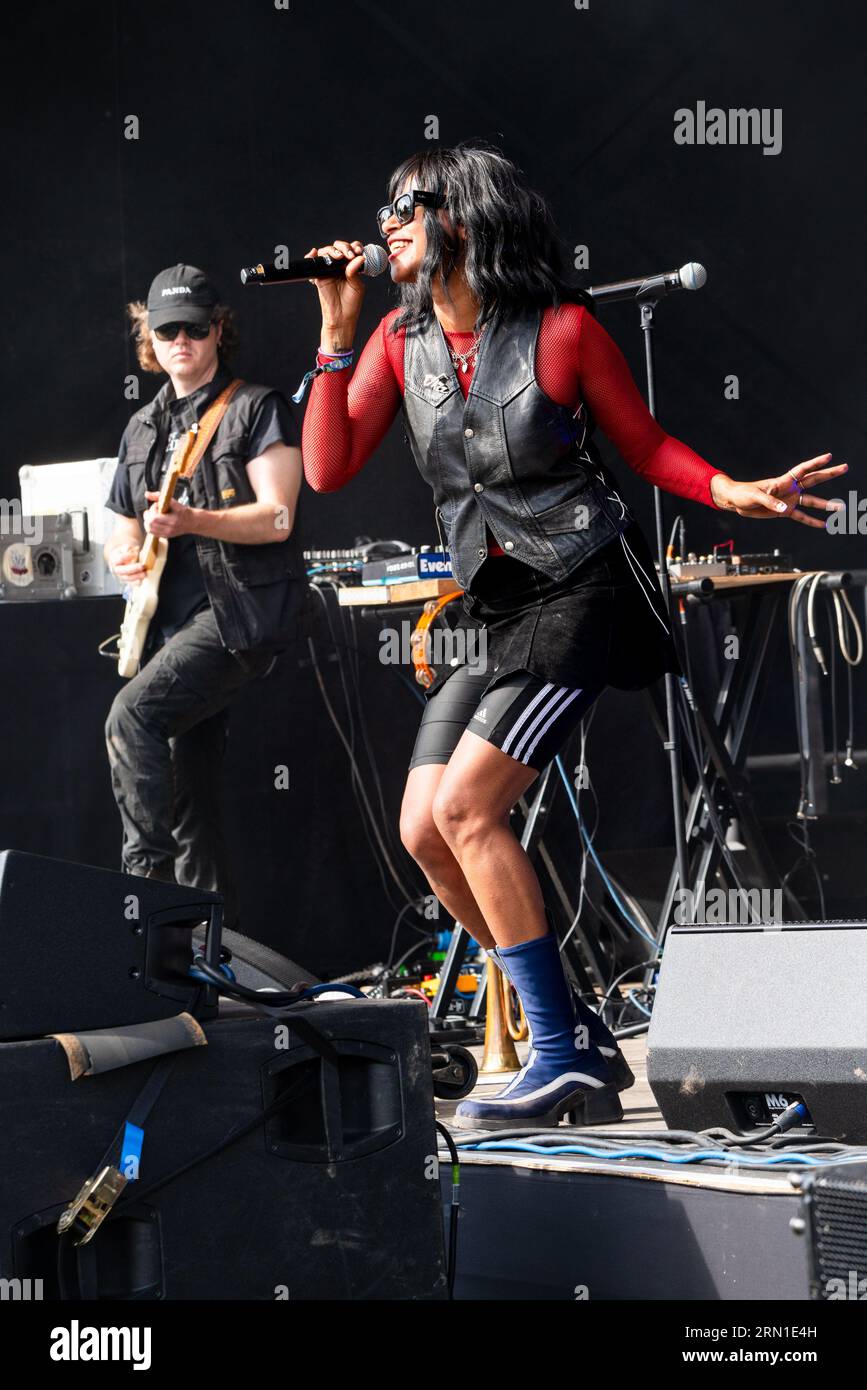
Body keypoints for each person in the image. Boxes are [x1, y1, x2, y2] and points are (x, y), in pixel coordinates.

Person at [299, 143, 845, 1129]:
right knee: (426, 831)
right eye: (382, 209)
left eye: (407, 208)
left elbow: (643, 447)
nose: (386, 225)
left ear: (463, 218)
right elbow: (328, 470)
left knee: (468, 810)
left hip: (580, 587)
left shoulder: (560, 330)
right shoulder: (394, 340)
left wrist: (734, 489)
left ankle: (561, 1056)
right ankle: (580, 1031)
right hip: (496, 606)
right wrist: (335, 335)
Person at [104, 263, 306, 930]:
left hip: (233, 618)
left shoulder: (255, 407)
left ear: (219, 329)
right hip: (165, 624)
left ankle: (146, 907)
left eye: (194, 328)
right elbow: (119, 530)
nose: (180, 341)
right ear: (150, 339)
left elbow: (277, 516)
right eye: (167, 331)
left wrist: (196, 521)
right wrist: (124, 557)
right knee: (193, 797)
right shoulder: (140, 428)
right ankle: (204, 953)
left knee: (130, 718)